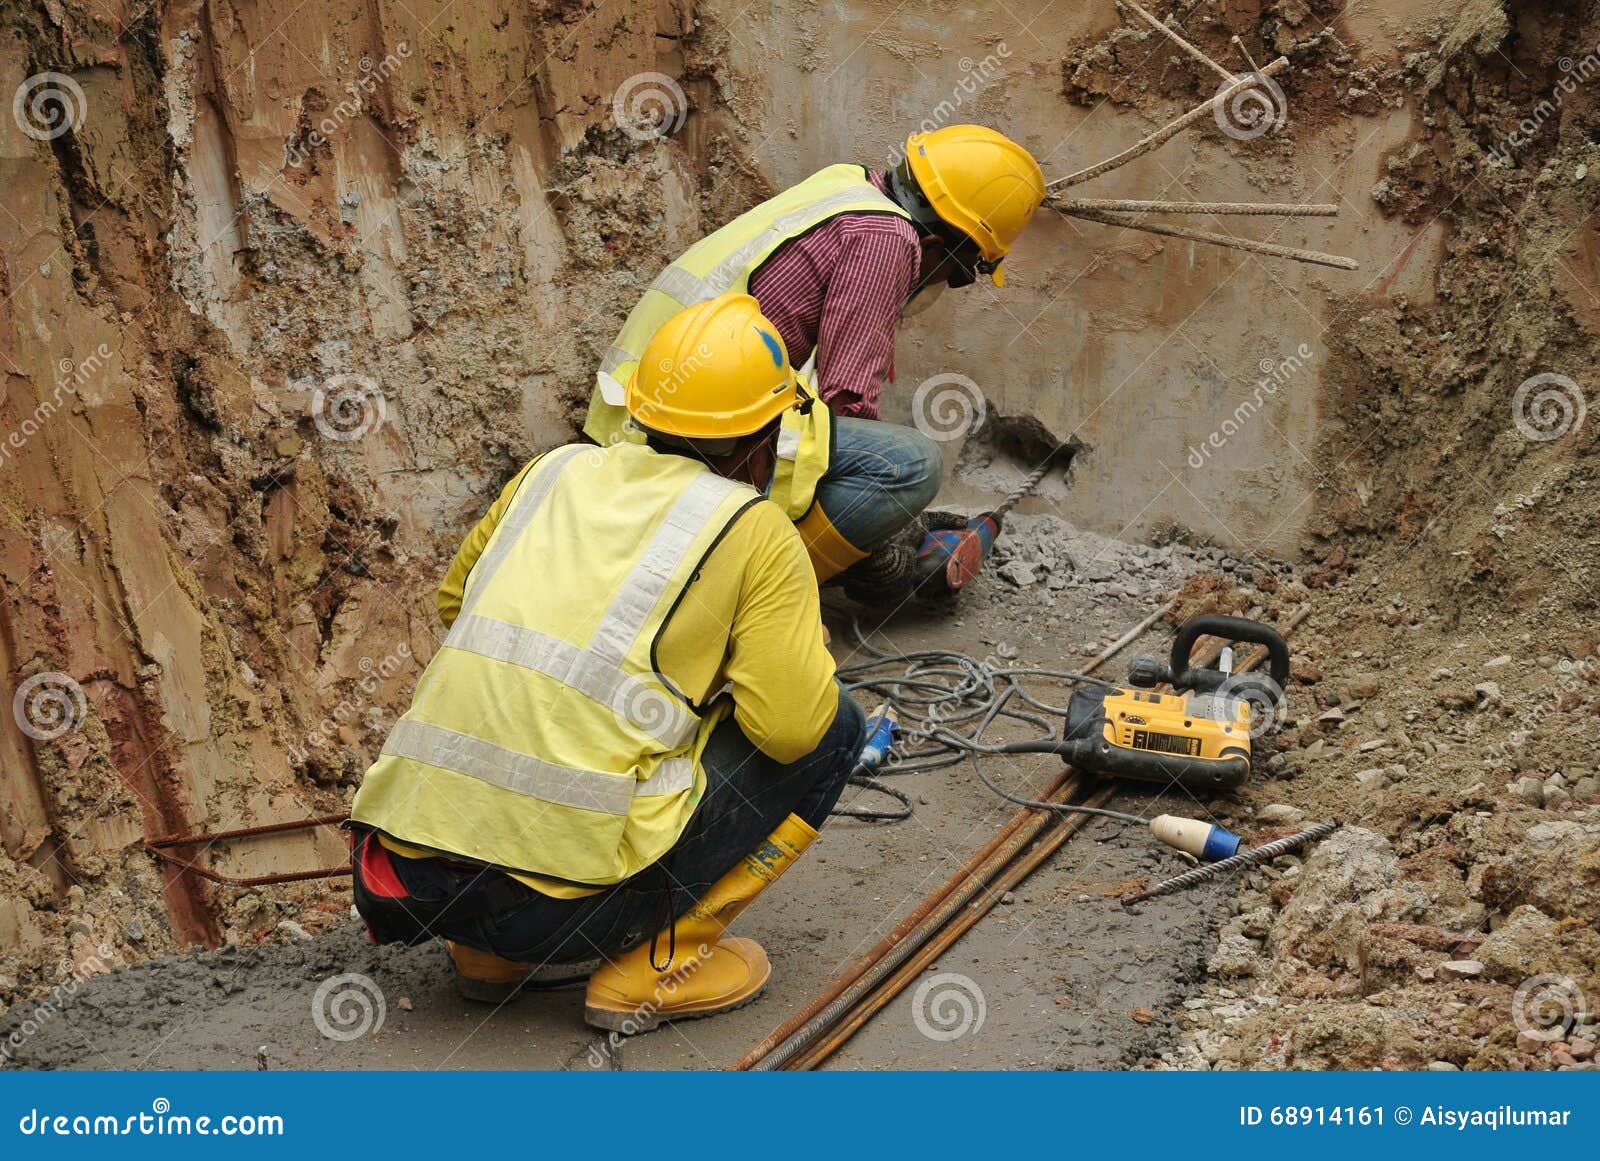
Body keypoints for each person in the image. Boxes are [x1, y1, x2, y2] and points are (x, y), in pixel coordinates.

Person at [347, 293, 867, 1031]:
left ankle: (485, 955)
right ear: (768, 434)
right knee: (837, 724)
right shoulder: (753, 529)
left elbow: (456, 602)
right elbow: (790, 728)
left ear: (642, 411)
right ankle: (653, 966)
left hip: (405, 880)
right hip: (557, 909)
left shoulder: (551, 471)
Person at [584, 124, 1046, 604]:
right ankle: (746, 592)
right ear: (937, 245)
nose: (953, 285)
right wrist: (875, 532)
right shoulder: (885, 237)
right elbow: (845, 399)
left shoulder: (845, 185)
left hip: (633, 416)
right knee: (910, 465)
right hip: (687, 435)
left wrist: (872, 521)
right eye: (964, 272)